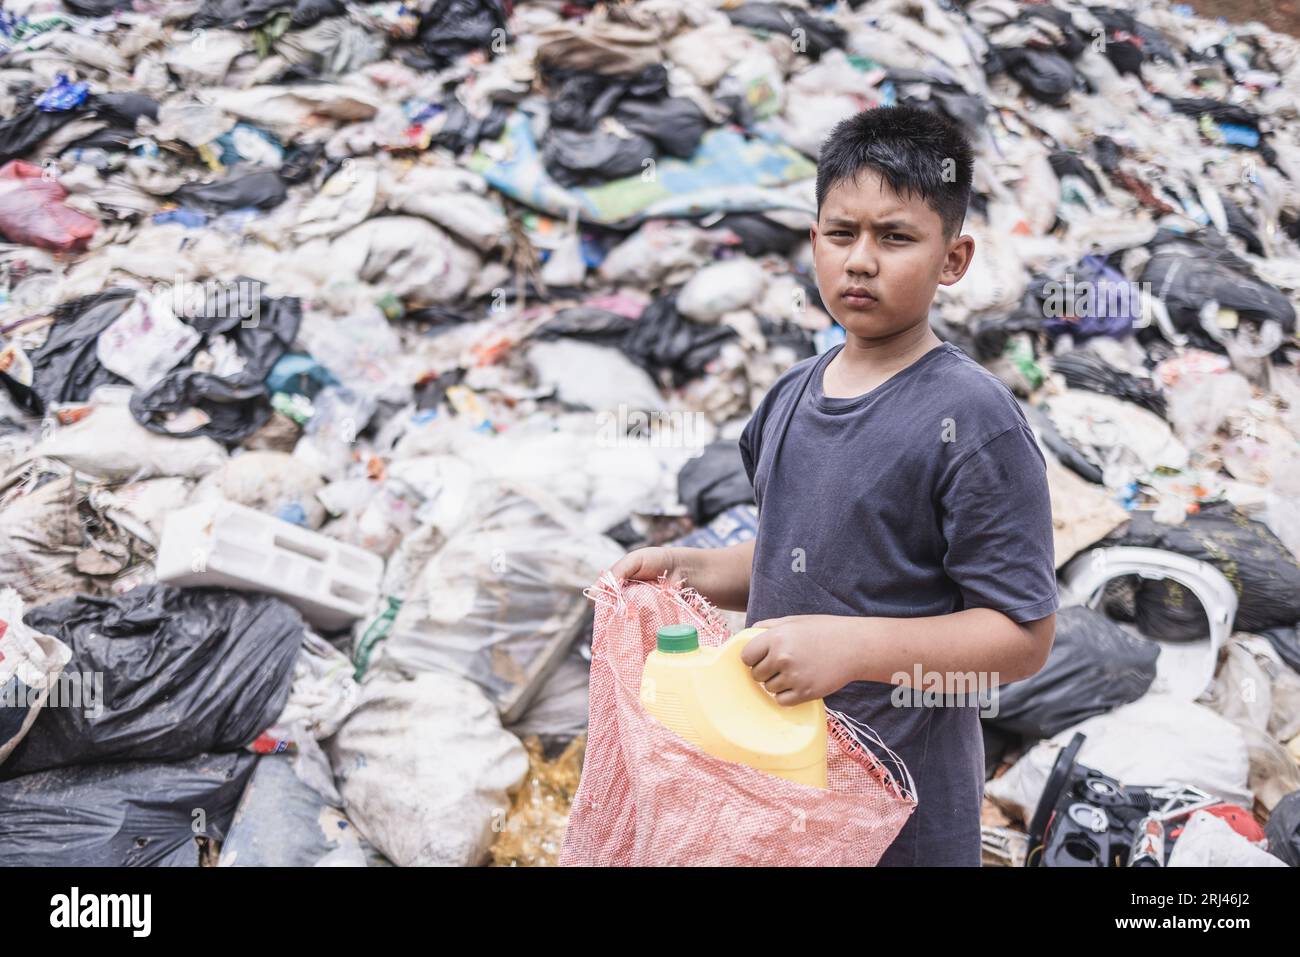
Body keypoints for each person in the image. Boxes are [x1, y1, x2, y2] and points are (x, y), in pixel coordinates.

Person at [611, 105, 1058, 866]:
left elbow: (1022, 637)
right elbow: (803, 554)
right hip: (779, 785)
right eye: (842, 234)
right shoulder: (789, 395)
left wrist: (851, 648)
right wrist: (690, 569)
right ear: (813, 242)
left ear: (954, 259)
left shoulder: (973, 419)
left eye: (895, 238)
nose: (860, 260)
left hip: (899, 807)